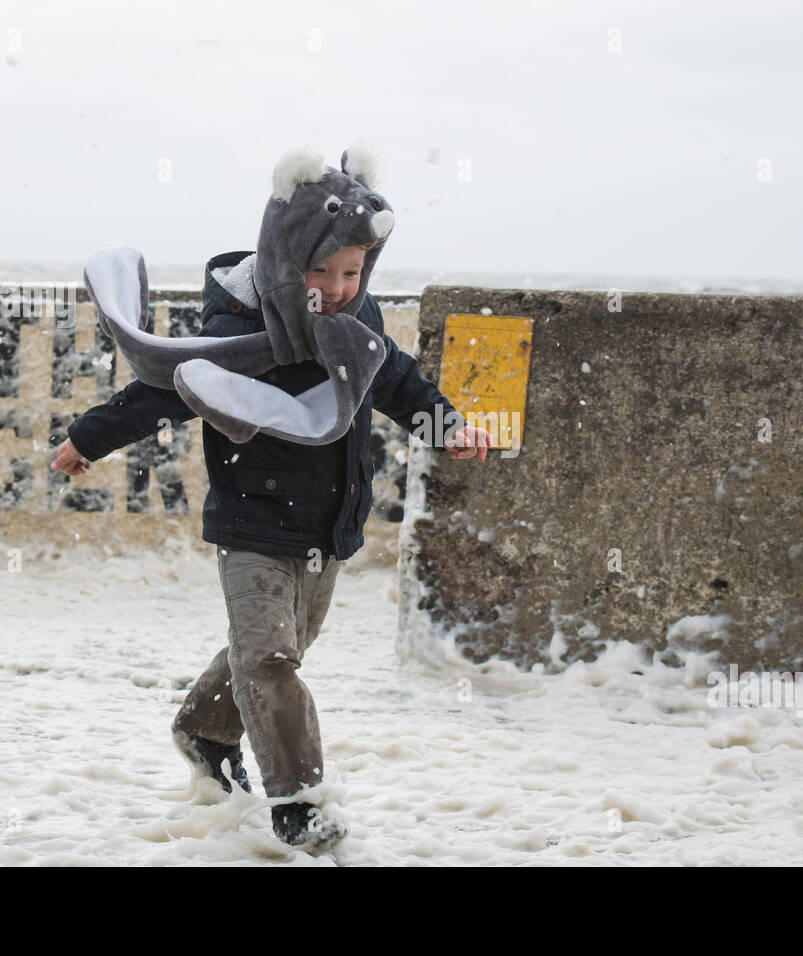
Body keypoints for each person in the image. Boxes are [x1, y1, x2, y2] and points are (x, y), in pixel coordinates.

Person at [52, 149, 492, 851]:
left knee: (279, 651)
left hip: (330, 524)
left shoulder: (358, 324)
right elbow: (162, 390)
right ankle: (300, 800)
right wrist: (89, 438)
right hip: (253, 522)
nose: (338, 287)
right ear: (286, 258)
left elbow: (400, 382)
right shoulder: (237, 332)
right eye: (322, 271)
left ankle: (204, 728)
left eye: (353, 272)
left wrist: (446, 424)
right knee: (269, 660)